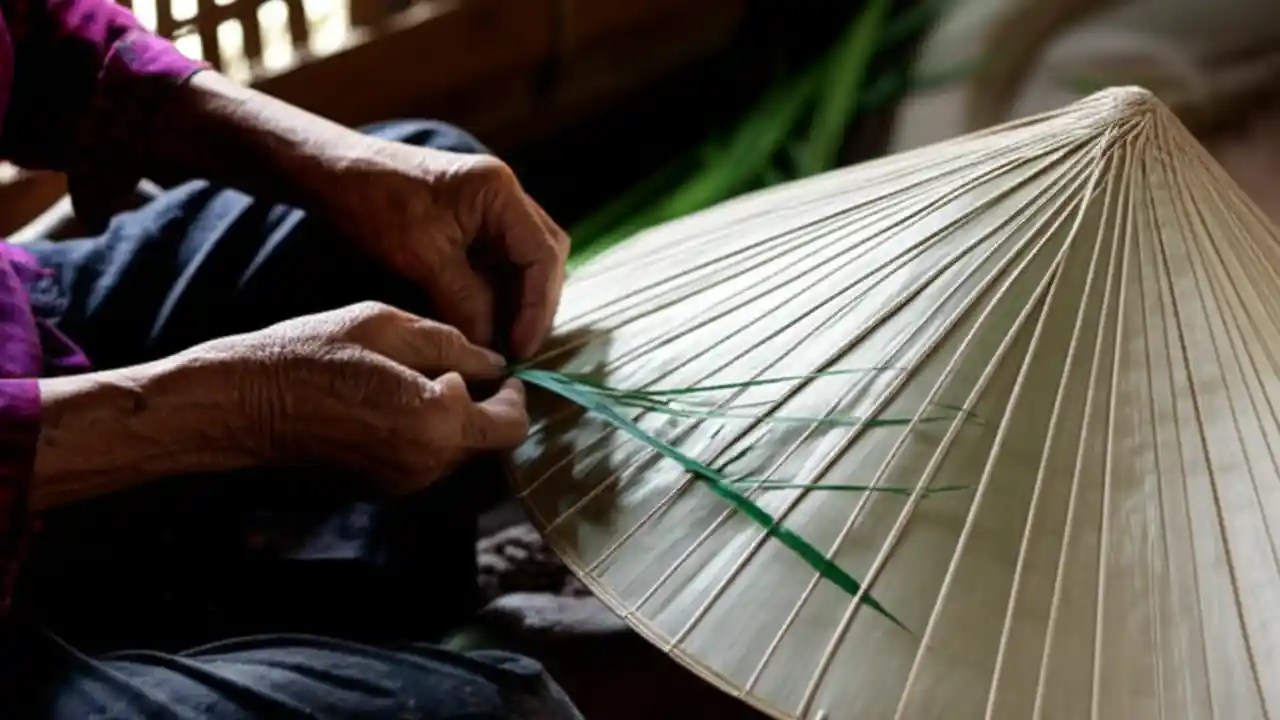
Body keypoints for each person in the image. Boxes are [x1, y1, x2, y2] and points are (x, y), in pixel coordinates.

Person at [0, 0, 580, 716]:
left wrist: (337, 160)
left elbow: (34, 31)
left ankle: (363, 628)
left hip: (20, 332)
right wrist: (242, 407)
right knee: (510, 712)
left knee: (447, 238)